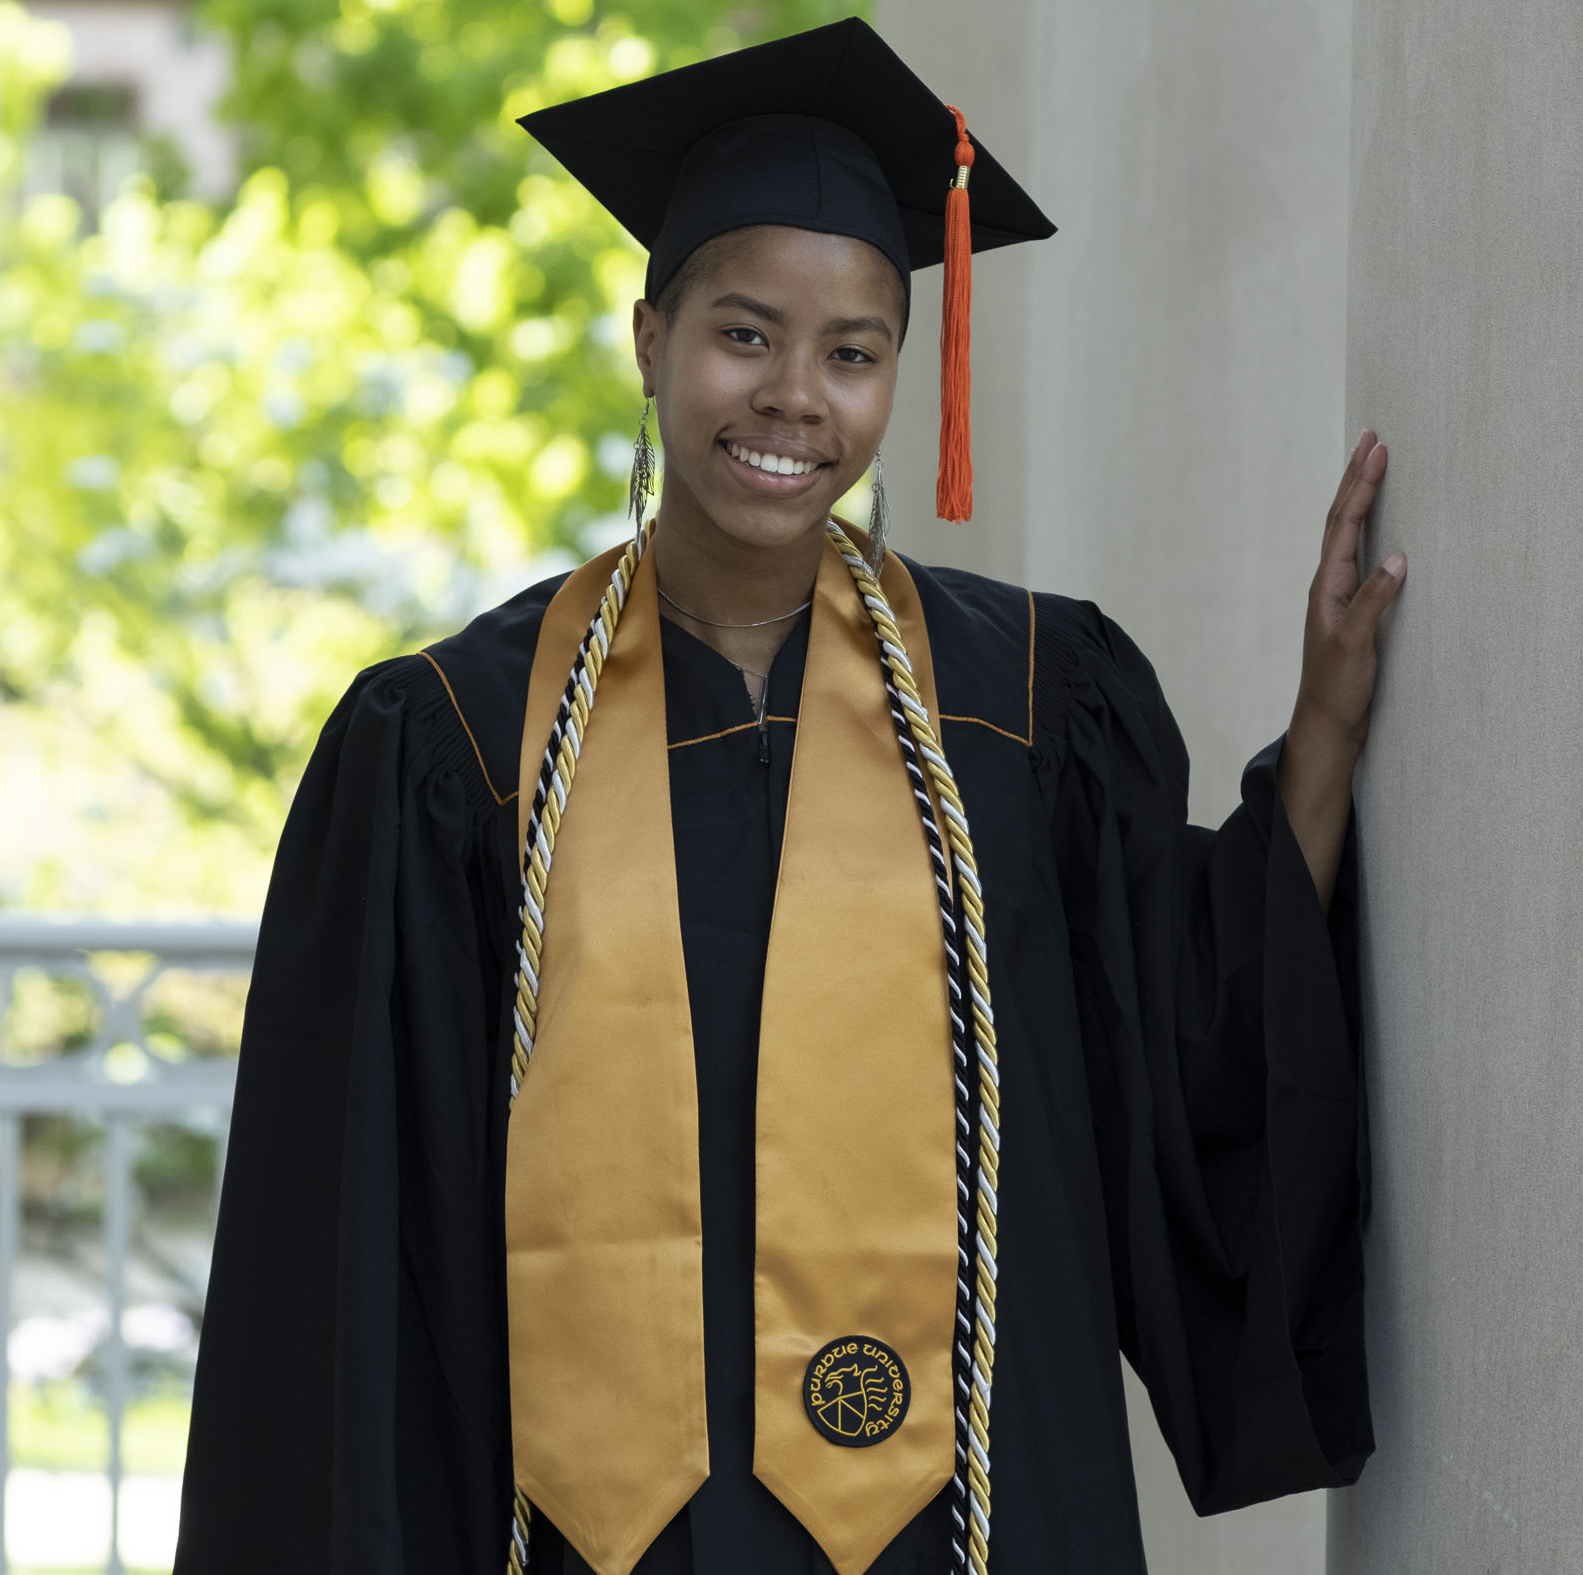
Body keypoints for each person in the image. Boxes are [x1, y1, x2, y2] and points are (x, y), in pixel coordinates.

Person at [174, 18, 1405, 1575]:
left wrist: (1321, 740)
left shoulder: (1027, 707)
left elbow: (1190, 1046)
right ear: (649, 339)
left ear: (904, 370)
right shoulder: (458, 748)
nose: (793, 402)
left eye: (853, 351)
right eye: (743, 336)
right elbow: (343, 1254)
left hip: (957, 1527)